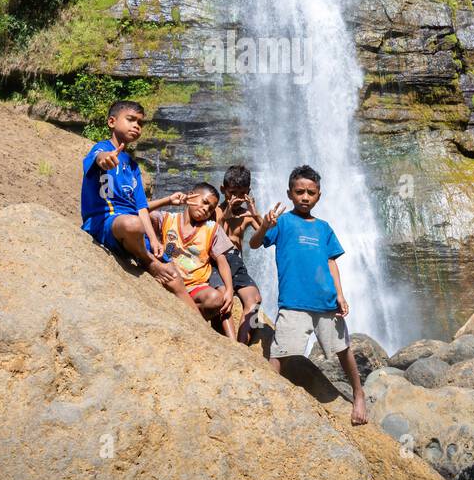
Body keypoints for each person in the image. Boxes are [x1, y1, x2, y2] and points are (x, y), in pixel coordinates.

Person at [249, 164, 368, 425]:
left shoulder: (324, 228)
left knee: (343, 349)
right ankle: (269, 400)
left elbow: (331, 263)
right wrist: (263, 225)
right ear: (290, 193)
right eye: (299, 191)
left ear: (319, 195)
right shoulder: (281, 222)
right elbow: (255, 244)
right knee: (278, 354)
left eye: (311, 192)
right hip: (293, 302)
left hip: (325, 301)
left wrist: (340, 294)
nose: (305, 197)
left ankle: (359, 395)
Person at [79, 100, 181, 295]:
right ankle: (149, 263)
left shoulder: (133, 166)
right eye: (131, 119)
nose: (136, 125)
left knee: (175, 274)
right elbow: (99, 158)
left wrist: (154, 240)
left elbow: (141, 208)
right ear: (111, 122)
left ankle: (196, 324)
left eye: (140, 123)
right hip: (105, 223)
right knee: (133, 224)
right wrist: (105, 160)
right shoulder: (101, 149)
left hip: (134, 229)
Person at [148, 183, 237, 337]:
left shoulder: (212, 229)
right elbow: (140, 211)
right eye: (204, 202)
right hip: (169, 281)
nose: (206, 210)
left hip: (195, 288)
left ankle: (186, 319)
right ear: (191, 195)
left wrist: (229, 290)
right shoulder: (167, 219)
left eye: (211, 208)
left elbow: (222, 262)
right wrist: (168, 200)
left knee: (216, 299)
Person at [216, 165, 264, 344]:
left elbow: (266, 237)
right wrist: (226, 216)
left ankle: (243, 342)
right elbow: (212, 235)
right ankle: (231, 343)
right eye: (232, 193)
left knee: (256, 299)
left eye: (242, 194)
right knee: (223, 301)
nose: (236, 198)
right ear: (223, 190)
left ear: (248, 192)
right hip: (217, 263)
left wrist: (255, 213)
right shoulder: (215, 210)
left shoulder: (247, 215)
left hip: (237, 265)